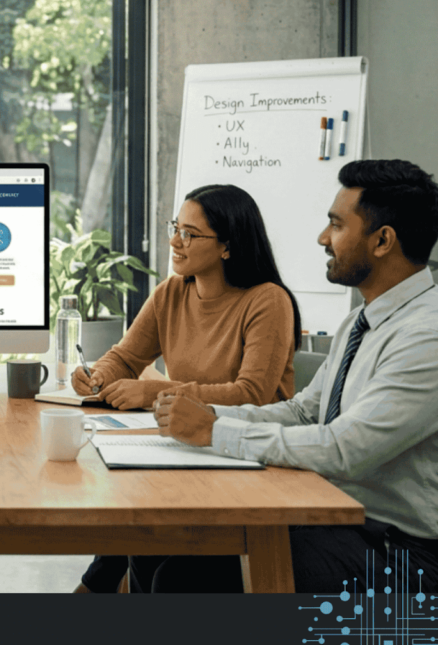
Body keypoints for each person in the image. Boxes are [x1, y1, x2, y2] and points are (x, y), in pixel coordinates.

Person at [145, 159, 438, 593]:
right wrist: (211, 413)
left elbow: (344, 449)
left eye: (336, 226)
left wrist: (214, 431)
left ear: (383, 241)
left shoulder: (426, 337)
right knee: (167, 545)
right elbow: (306, 412)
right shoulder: (361, 321)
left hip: (401, 553)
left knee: (186, 578)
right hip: (335, 516)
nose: (323, 239)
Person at [72, 183, 302, 593]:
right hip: (186, 451)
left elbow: (253, 395)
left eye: (189, 234)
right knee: (129, 533)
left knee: (156, 565)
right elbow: (125, 357)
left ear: (227, 247)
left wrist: (156, 392)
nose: (174, 241)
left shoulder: (268, 301)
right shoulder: (172, 292)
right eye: (175, 227)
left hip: (251, 464)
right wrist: (98, 374)